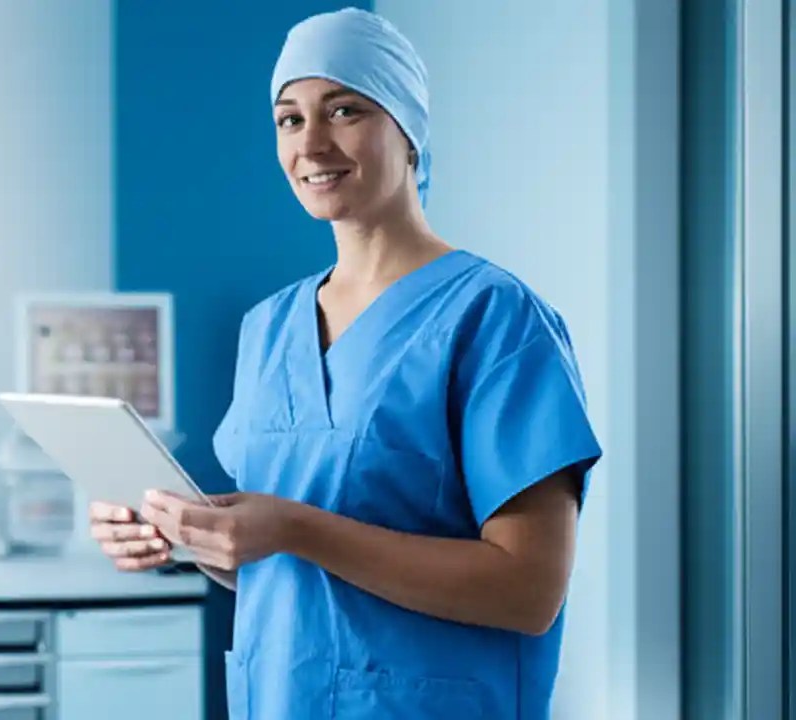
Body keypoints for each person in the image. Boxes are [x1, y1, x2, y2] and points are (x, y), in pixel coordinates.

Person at [88, 8, 601, 719]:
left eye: (344, 109)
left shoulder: (495, 318)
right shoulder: (268, 329)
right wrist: (191, 541)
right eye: (289, 119)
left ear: (408, 128)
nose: (313, 143)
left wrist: (296, 526)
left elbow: (529, 591)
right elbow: (299, 577)